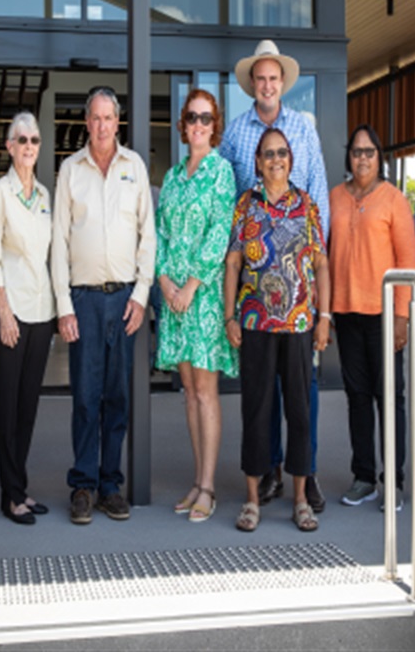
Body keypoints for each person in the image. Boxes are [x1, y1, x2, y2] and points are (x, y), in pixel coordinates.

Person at [219, 39, 330, 512]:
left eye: (274, 78)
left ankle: (307, 474)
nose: (267, 85)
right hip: (256, 296)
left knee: (301, 396)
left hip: (300, 302)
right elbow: (226, 200)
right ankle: (268, 473)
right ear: (252, 85)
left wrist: (324, 306)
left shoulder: (304, 131)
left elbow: (319, 198)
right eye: (260, 79)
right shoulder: (235, 135)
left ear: (283, 83)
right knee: (260, 400)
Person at [51, 86, 156, 524]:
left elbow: (148, 236)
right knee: (85, 397)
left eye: (107, 117)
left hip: (125, 301)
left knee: (117, 397)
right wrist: (63, 305)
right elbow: (58, 239)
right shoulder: (69, 171)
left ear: (118, 122)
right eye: (94, 118)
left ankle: (111, 485)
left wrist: (141, 295)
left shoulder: (135, 168)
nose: (100, 125)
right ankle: (83, 483)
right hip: (85, 300)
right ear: (87, 122)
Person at [155, 89, 238, 524]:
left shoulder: (222, 173)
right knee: (188, 393)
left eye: (206, 118)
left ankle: (208, 487)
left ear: (215, 124)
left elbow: (219, 234)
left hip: (202, 299)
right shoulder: (171, 177)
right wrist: (166, 282)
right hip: (173, 299)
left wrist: (188, 286)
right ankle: (196, 479)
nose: (199, 124)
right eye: (192, 117)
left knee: (207, 392)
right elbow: (160, 235)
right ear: (183, 125)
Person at [329, 124, 415, 511]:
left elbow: (408, 261)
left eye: (369, 151)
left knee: (390, 398)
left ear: (379, 157)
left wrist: (402, 316)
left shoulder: (394, 200)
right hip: (346, 313)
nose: (362, 158)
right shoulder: (334, 197)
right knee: (357, 397)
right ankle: (364, 476)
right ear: (348, 156)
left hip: (384, 315)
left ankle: (392, 482)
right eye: (356, 151)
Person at [0, 112, 56, 525]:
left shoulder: (44, 195)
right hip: (11, 312)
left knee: (28, 405)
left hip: (41, 312)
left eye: (34, 140)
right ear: (9, 147)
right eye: (21, 140)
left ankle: (21, 488)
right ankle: (10, 494)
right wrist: (4, 311)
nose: (28, 146)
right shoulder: (1, 194)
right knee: (7, 405)